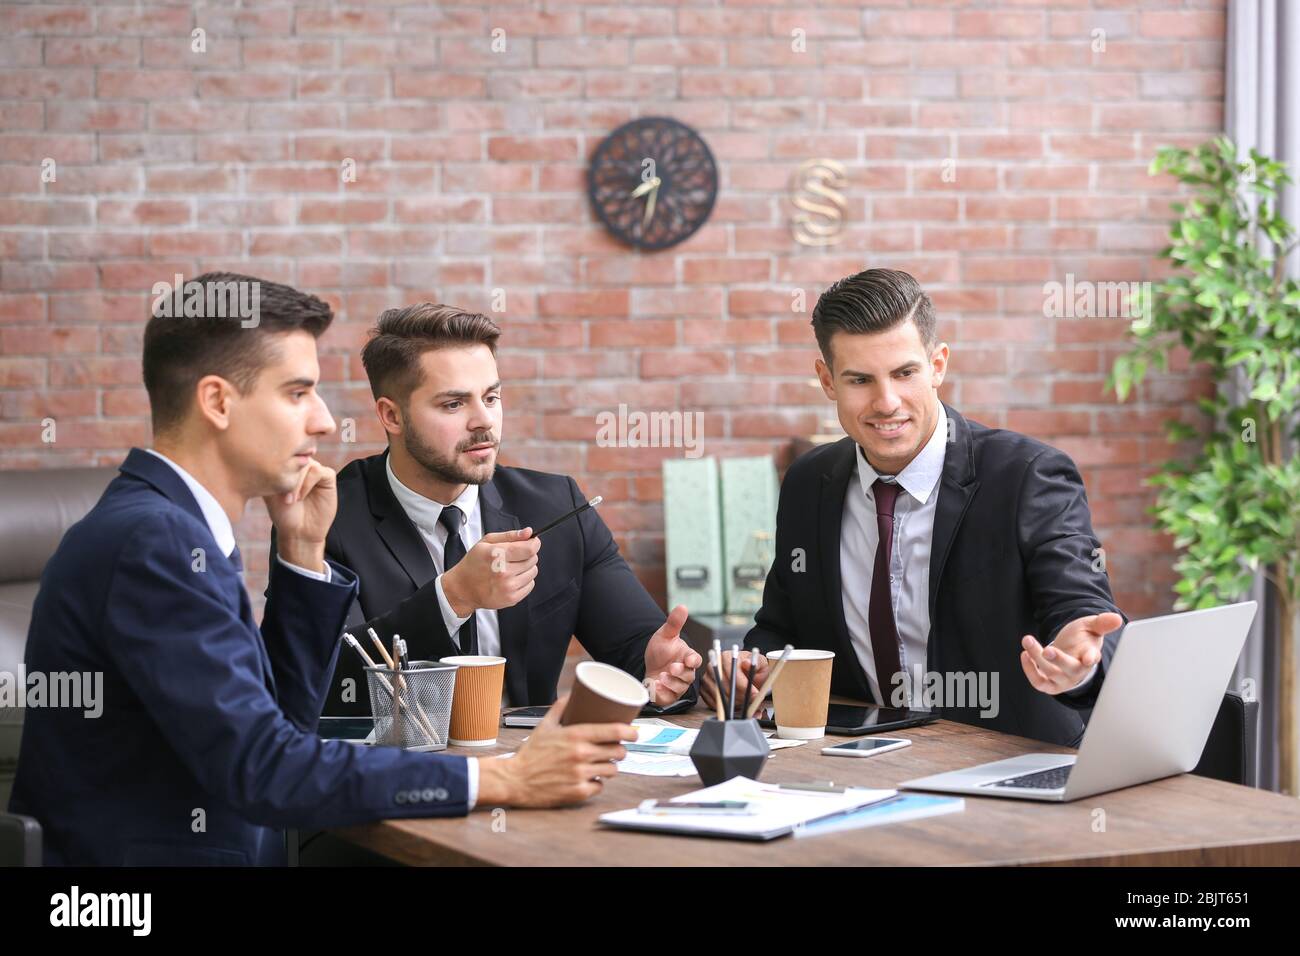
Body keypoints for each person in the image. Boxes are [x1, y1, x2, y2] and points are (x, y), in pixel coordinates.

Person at [8, 273, 634, 866]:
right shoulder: (156, 544)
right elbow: (267, 769)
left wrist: (302, 559)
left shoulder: (177, 527)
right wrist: (503, 777)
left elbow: (282, 723)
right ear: (218, 402)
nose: (325, 420)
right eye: (297, 392)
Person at [703, 269, 1124, 746]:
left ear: (937, 364)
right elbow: (781, 629)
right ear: (826, 380)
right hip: (853, 763)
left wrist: (1078, 665)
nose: (886, 402)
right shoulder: (808, 482)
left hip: (1002, 765)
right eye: (860, 379)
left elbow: (1081, 611)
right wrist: (746, 668)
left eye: (905, 373)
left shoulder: (1028, 476)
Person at [303, 303, 701, 716]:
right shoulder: (326, 520)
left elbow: (639, 653)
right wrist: (453, 597)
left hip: (530, 766)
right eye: (454, 404)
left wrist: (660, 675)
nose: (484, 422)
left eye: (491, 397)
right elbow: (325, 687)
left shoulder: (557, 506)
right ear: (391, 415)